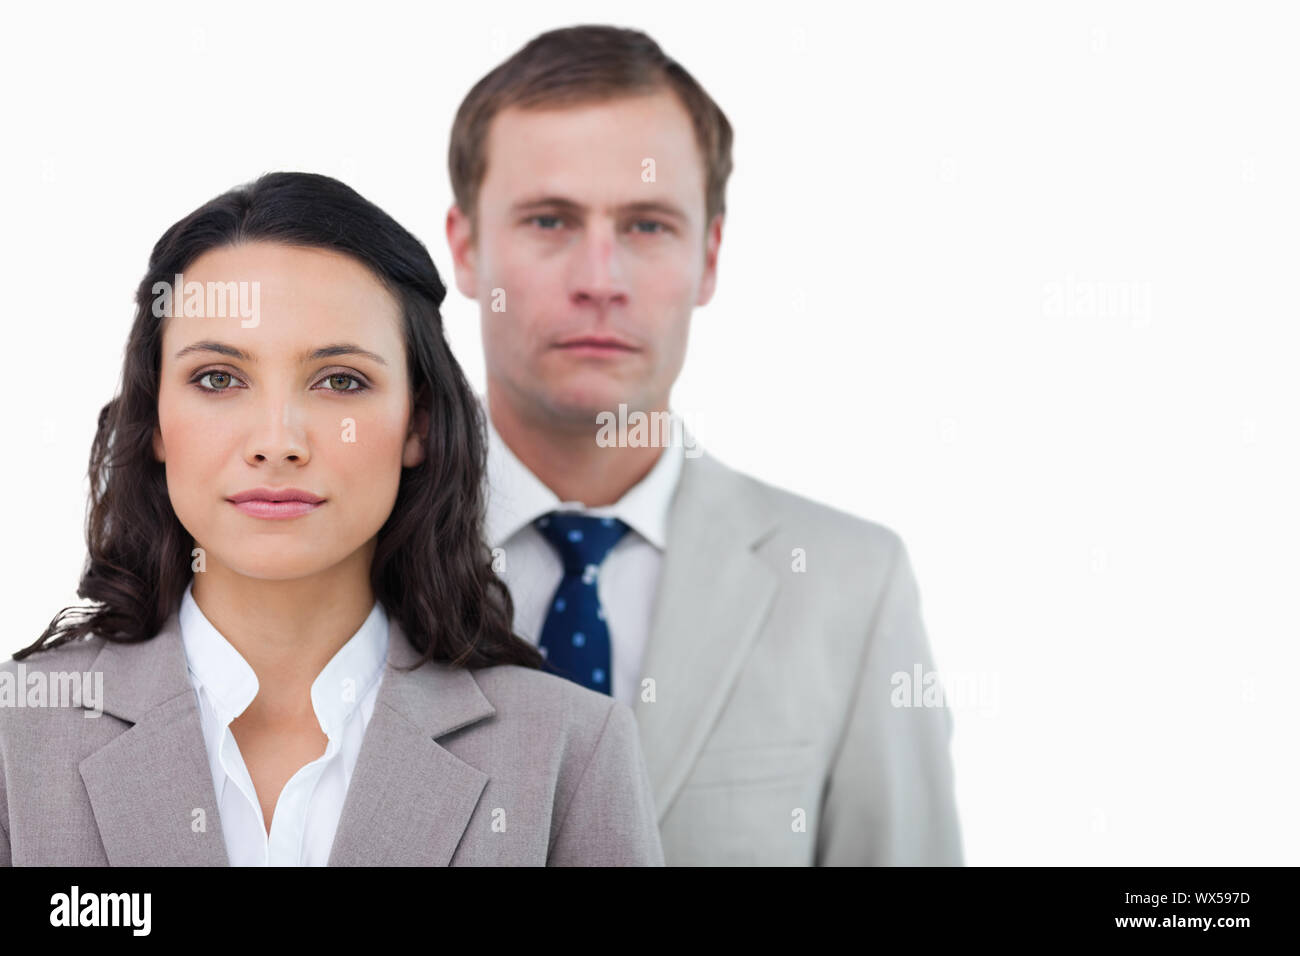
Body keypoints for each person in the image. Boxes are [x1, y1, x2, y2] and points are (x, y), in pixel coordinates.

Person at [0, 171, 663, 867]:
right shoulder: (19, 740)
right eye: (218, 379)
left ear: (420, 425)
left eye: (340, 380)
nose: (278, 440)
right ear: (154, 419)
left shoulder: (570, 751)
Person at [444, 25, 964, 865]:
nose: (600, 278)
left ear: (710, 255)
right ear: (466, 247)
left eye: (647, 225)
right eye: (549, 219)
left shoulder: (850, 587)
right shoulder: (341, 554)